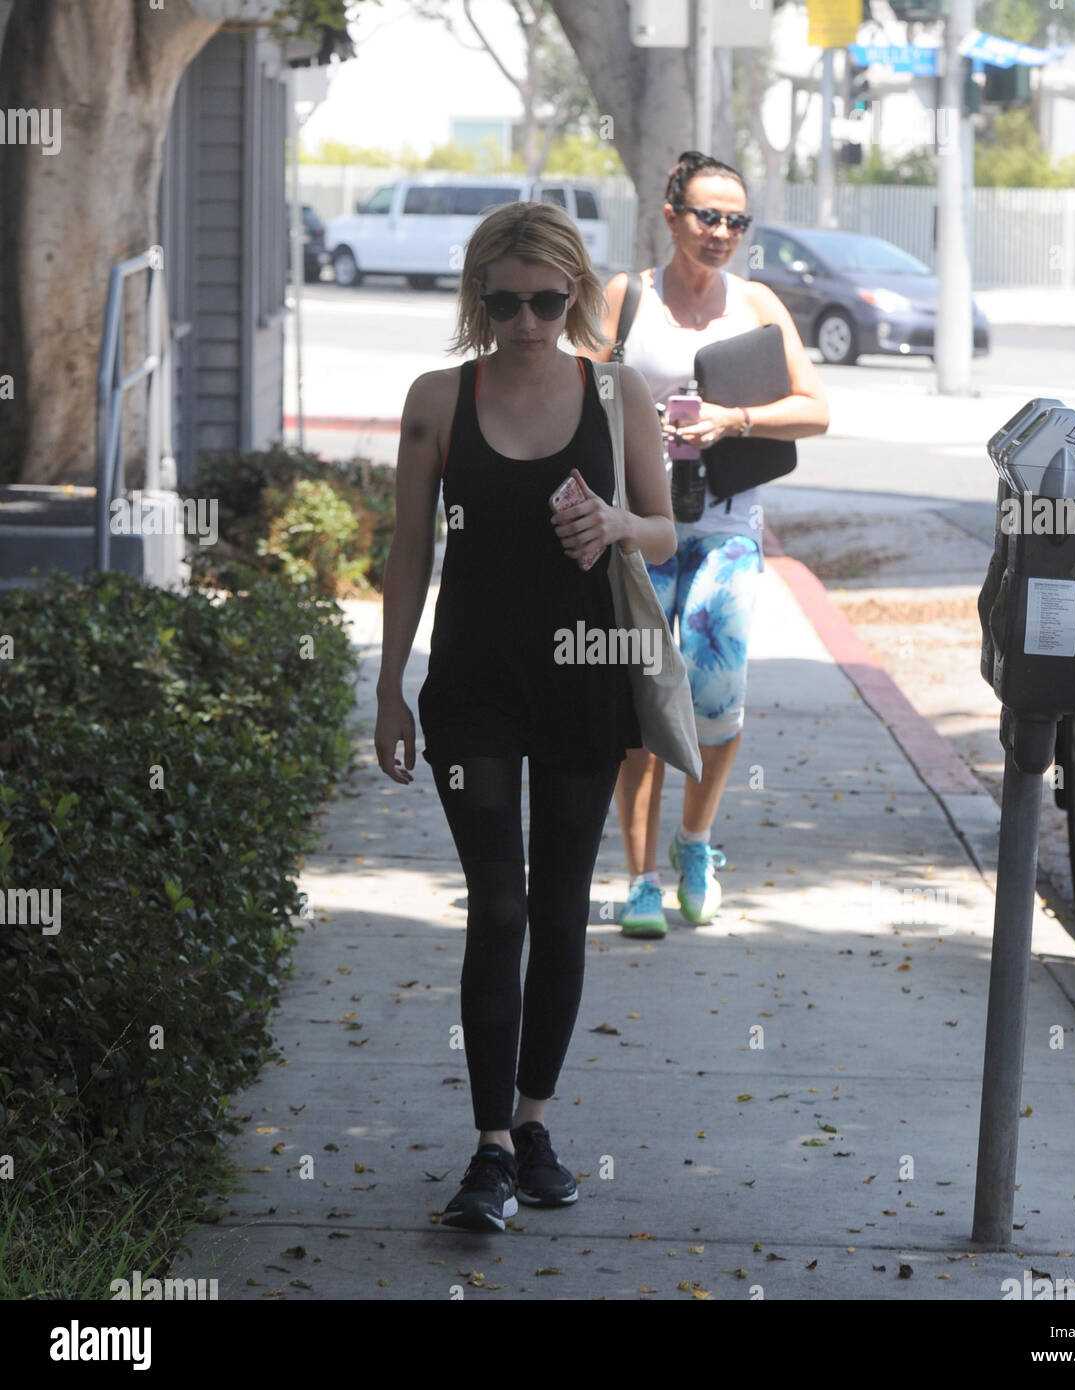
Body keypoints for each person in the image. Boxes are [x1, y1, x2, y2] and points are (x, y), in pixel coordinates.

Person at [374, 201, 674, 1233]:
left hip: (588, 674)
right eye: (503, 302)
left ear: (575, 294)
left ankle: (535, 1119)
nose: (525, 321)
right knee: (496, 905)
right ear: (478, 298)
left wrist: (619, 522)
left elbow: (667, 528)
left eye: (546, 301)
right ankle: (491, 1144)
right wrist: (387, 684)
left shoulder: (615, 390)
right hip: (472, 688)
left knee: (558, 904)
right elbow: (409, 550)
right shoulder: (439, 398)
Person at [588, 150, 830, 938]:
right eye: (707, 216)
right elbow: (578, 393)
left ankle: (696, 843)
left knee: (715, 692)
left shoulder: (755, 305)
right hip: (638, 526)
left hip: (725, 523)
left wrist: (735, 421)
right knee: (639, 700)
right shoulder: (628, 299)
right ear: (671, 216)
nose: (721, 231)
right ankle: (639, 878)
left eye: (736, 220)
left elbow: (815, 409)